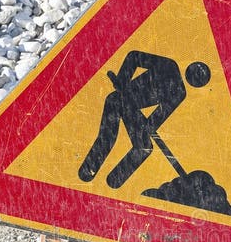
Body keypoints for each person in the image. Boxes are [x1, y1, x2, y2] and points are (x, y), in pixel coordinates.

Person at [78, 50, 211, 189]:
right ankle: (87, 170)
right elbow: (134, 57)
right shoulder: (169, 66)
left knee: (144, 147)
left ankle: (114, 181)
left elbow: (157, 118)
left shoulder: (179, 93)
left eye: (200, 78)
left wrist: (146, 126)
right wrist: (123, 80)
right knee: (108, 136)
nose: (196, 77)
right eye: (197, 72)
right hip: (117, 100)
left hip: (132, 110)